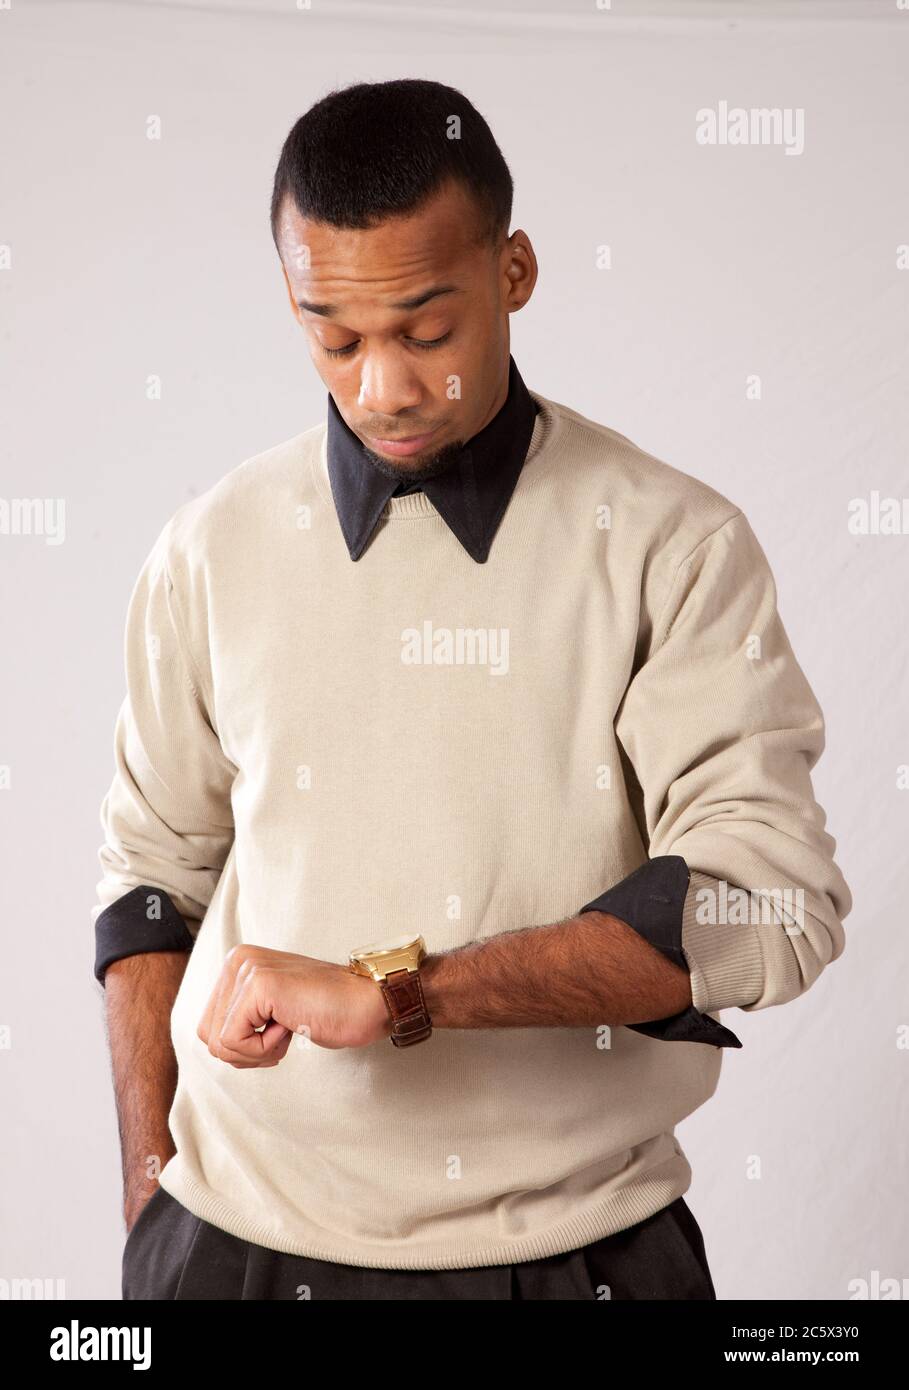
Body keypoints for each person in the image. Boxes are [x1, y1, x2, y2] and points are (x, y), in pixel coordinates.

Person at [93, 78, 851, 1301]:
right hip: (225, 1253)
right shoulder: (208, 547)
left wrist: (402, 992)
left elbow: (769, 906)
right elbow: (147, 885)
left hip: (568, 1263)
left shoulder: (674, 545)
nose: (381, 386)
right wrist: (146, 1201)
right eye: (332, 335)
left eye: (424, 330)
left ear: (515, 271)